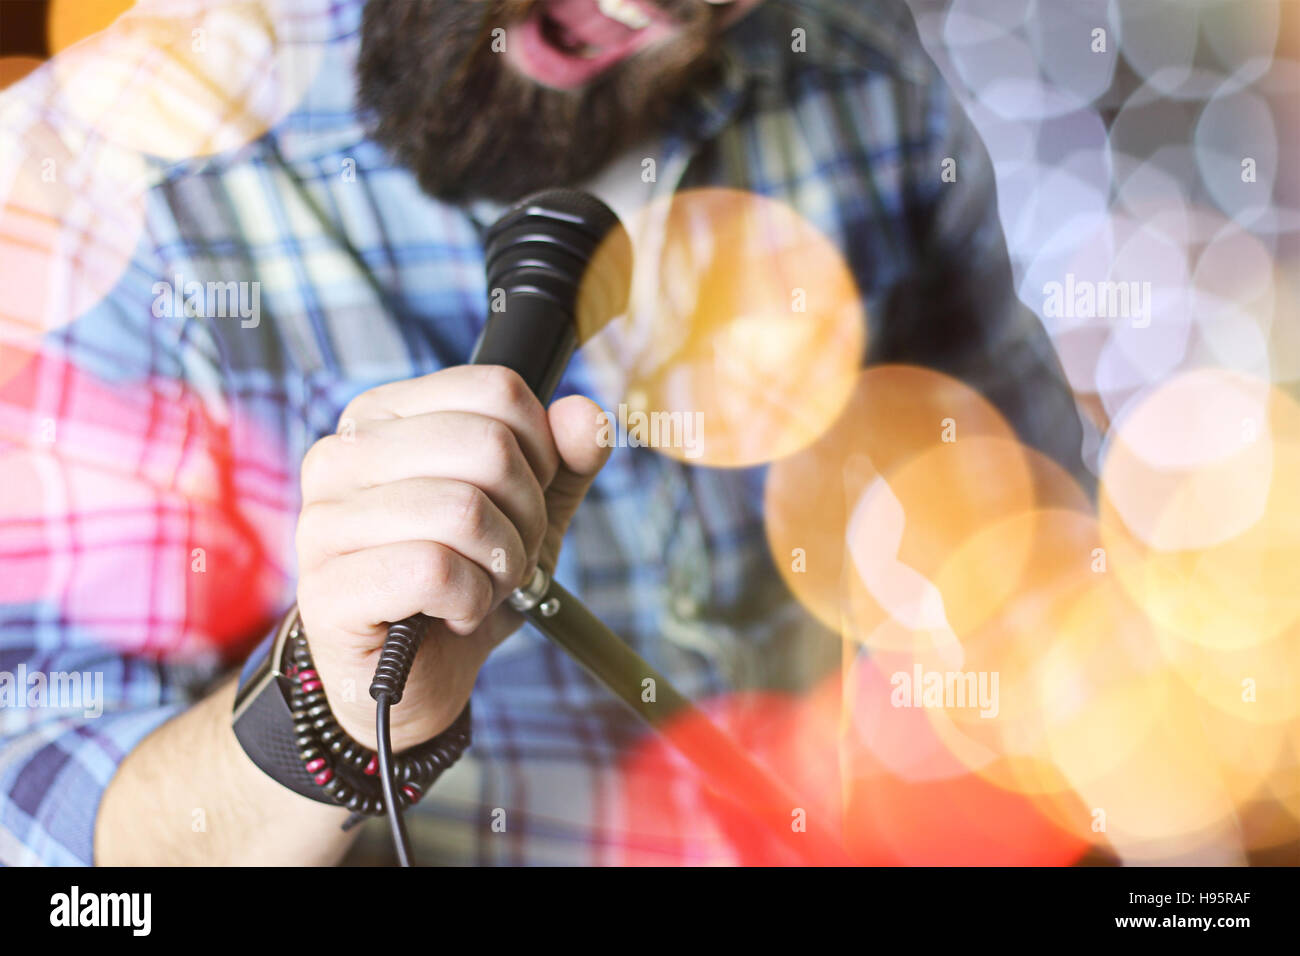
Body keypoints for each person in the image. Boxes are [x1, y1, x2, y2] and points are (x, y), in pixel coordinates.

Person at [0, 0, 1085, 865]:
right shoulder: (98, 178)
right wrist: (325, 715)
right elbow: (42, 815)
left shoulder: (859, 73)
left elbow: (1028, 547)